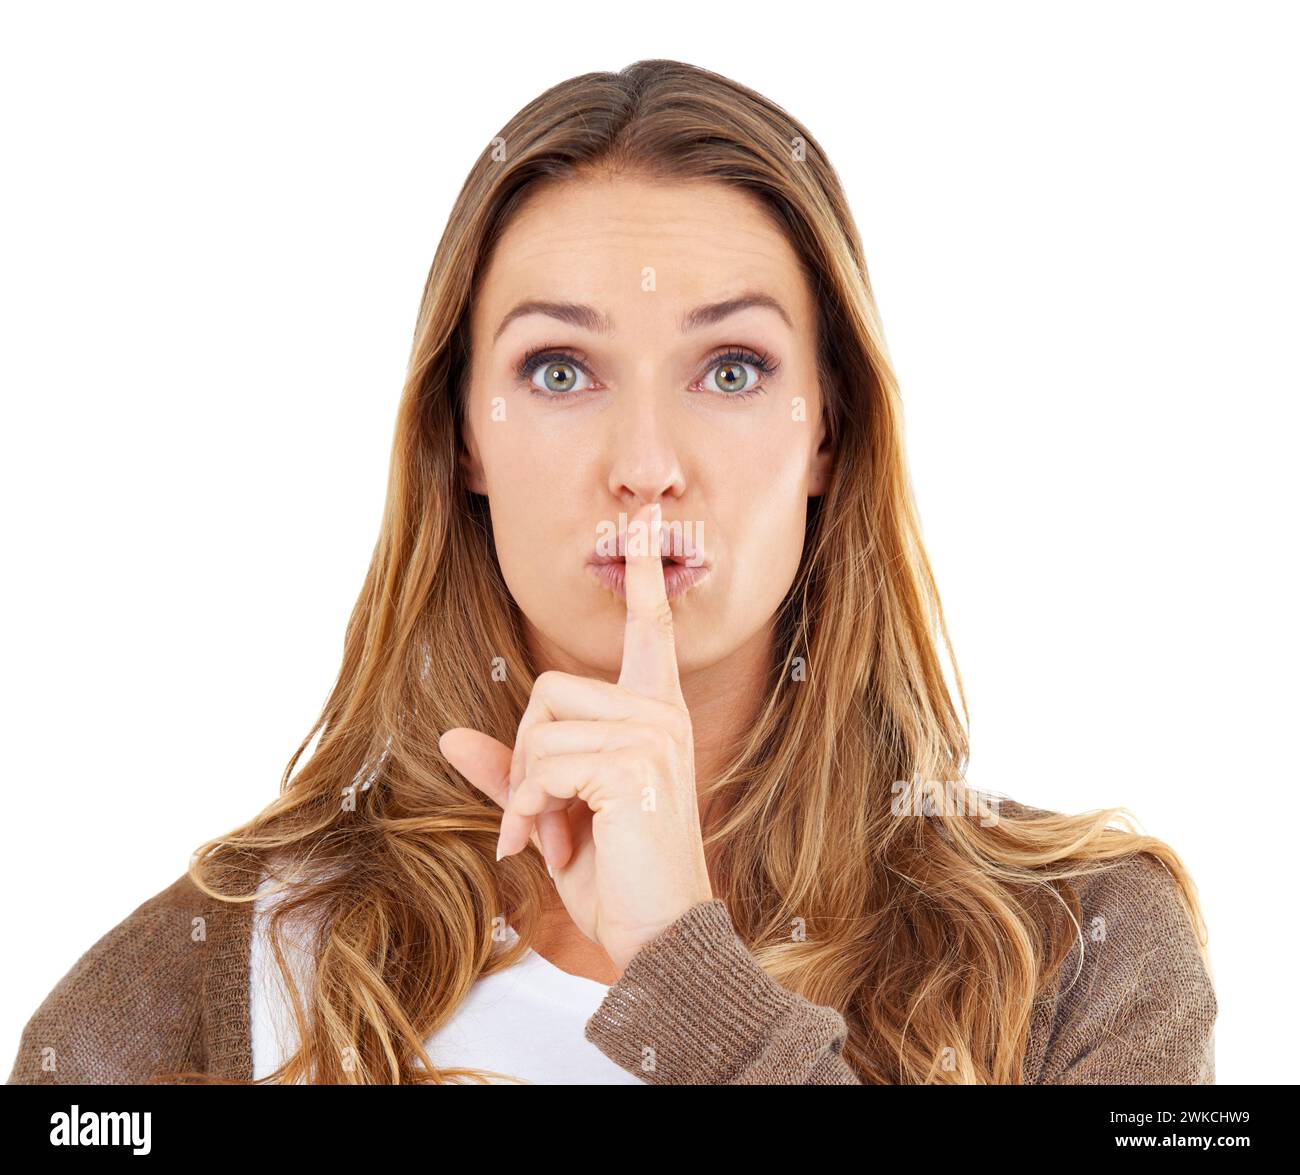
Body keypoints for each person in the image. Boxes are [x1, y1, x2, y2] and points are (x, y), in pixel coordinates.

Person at [8, 58, 1216, 1086]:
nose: (645, 467)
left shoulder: (1083, 947)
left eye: (731, 368)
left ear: (828, 432)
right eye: (558, 370)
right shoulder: (211, 979)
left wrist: (686, 971)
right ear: (460, 436)